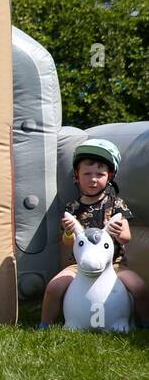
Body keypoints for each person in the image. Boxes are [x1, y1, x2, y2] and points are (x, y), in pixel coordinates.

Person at [39, 139, 146, 329]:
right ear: (76, 177)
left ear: (110, 176)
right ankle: (44, 324)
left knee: (139, 288)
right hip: (79, 266)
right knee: (53, 288)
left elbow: (127, 237)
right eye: (87, 174)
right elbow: (66, 242)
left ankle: (145, 323)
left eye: (100, 174)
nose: (93, 179)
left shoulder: (116, 205)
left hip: (115, 264)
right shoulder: (72, 207)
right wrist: (69, 233)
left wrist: (120, 232)